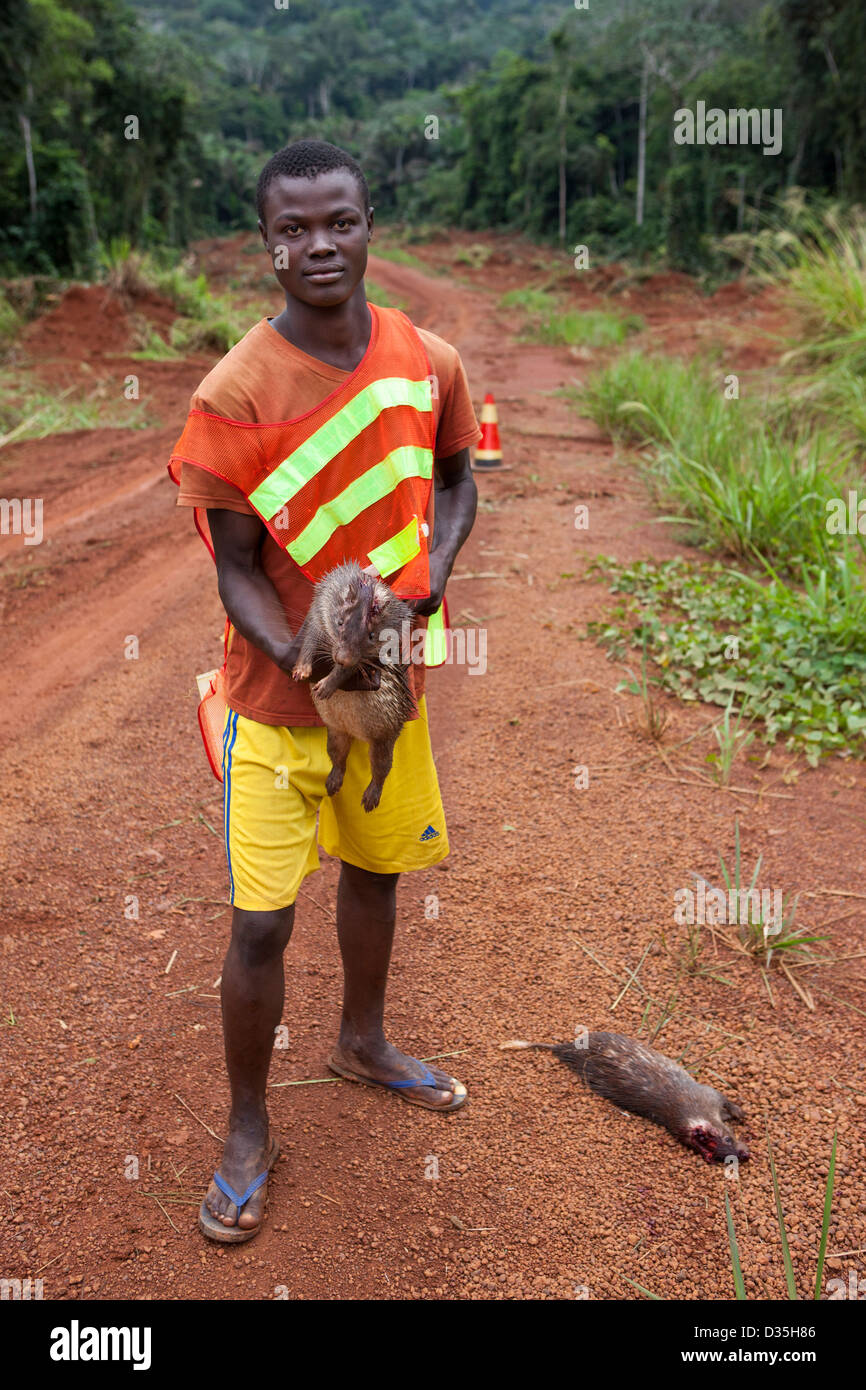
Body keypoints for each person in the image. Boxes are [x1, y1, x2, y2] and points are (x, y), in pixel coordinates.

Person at [168, 139, 481, 1241]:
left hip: (386, 696)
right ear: (265, 243)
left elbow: (454, 481)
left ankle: (361, 1039)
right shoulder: (236, 392)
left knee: (377, 871)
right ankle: (248, 1124)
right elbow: (234, 566)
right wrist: (312, 659)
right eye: (293, 228)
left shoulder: (425, 359)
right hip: (273, 707)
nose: (318, 244)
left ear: (367, 225)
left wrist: (435, 569)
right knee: (258, 926)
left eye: (336, 221)